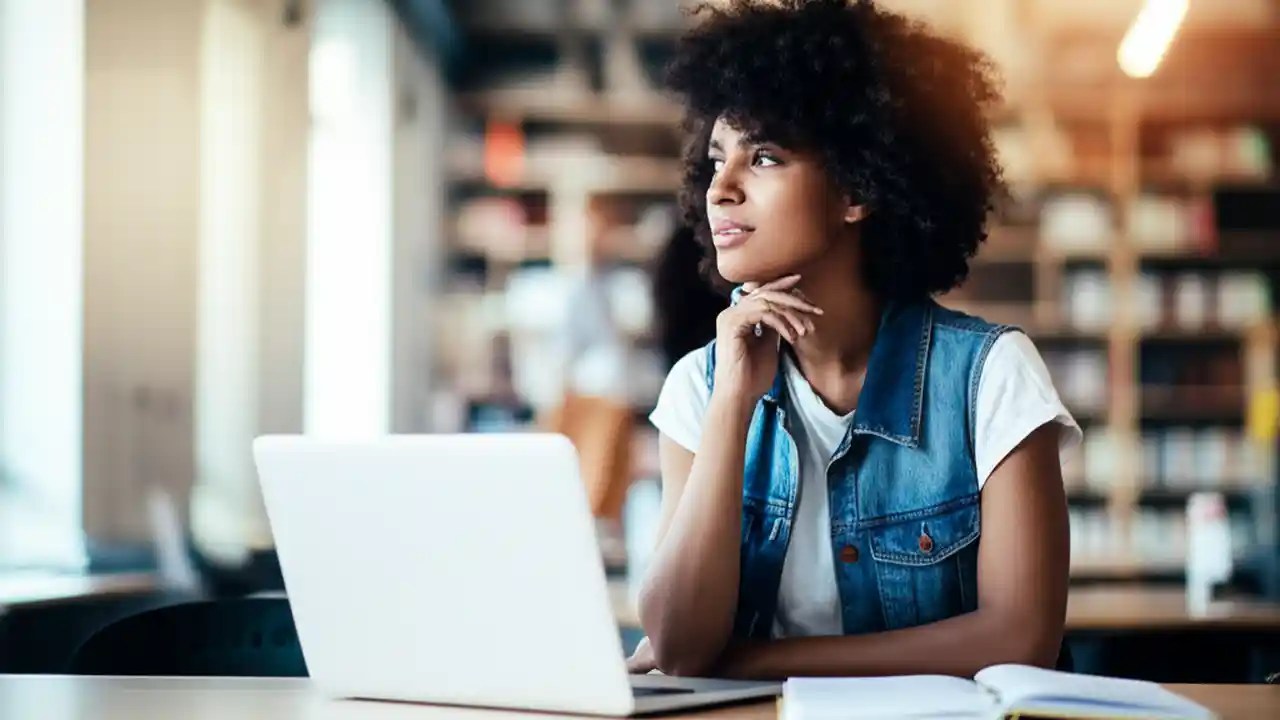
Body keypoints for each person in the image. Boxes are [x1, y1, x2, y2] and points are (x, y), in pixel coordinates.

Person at [628, 0, 1080, 680]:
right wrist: (732, 405)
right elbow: (681, 646)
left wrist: (754, 661)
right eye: (717, 160)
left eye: (766, 157)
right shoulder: (700, 383)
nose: (721, 188)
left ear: (858, 188)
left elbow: (1021, 638)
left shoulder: (991, 376)